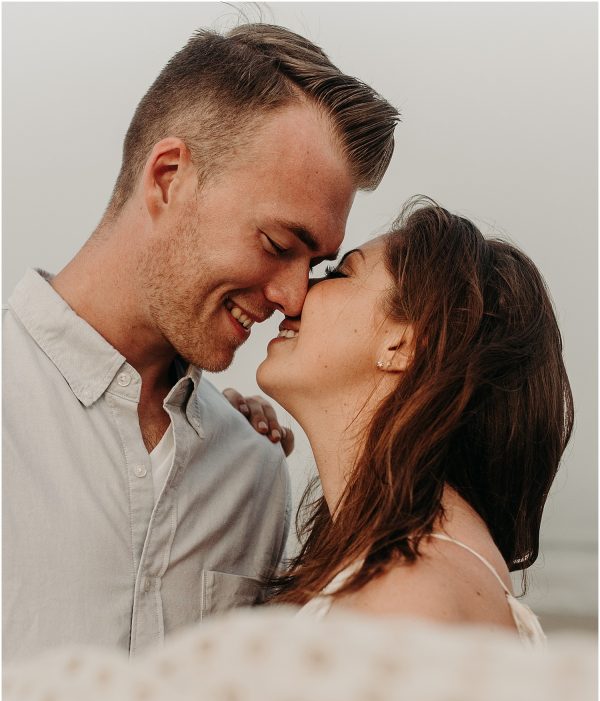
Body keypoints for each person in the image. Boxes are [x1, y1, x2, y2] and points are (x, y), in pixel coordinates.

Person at [3, 24, 399, 662]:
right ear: (168, 178)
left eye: (316, 264)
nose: (295, 299)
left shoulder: (254, 469)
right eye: (277, 245)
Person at [257, 199, 574, 643]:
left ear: (404, 343)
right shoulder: (422, 562)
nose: (294, 294)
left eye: (339, 273)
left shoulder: (403, 595)